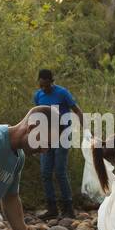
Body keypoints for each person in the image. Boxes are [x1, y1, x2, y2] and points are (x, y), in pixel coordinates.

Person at [33, 69, 83, 220]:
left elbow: (77, 111)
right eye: (41, 85)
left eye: (46, 85)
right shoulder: (38, 95)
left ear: (51, 81)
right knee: (45, 173)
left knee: (60, 171)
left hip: (63, 136)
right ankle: (52, 208)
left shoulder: (62, 93)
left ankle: (68, 208)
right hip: (47, 137)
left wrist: (84, 129)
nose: (44, 88)